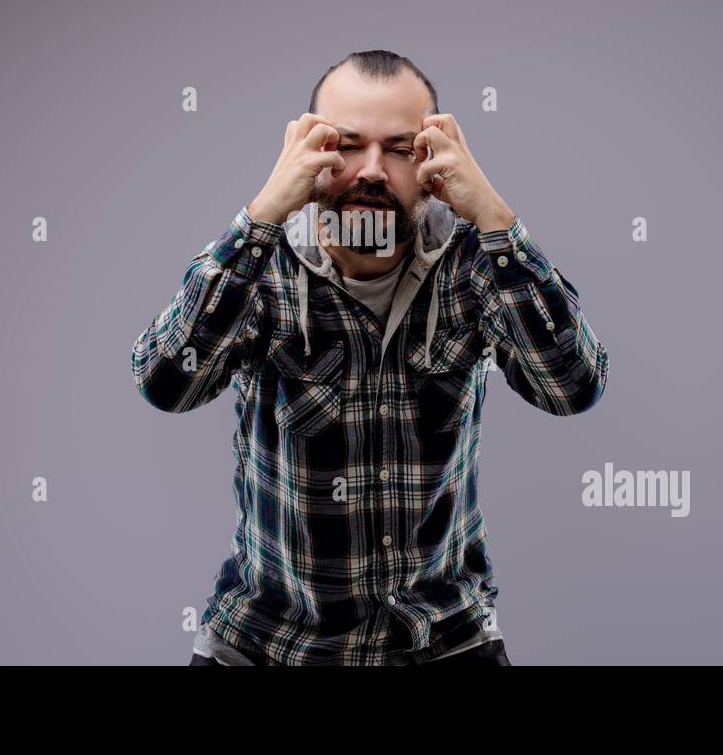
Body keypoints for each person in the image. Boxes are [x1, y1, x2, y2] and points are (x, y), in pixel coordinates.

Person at [133, 50, 609, 665]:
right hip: (269, 645)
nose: (372, 171)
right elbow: (166, 384)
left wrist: (494, 215)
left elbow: (572, 387)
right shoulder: (260, 262)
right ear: (309, 150)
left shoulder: (472, 260)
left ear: (434, 160)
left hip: (441, 642)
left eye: (401, 149)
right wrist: (259, 218)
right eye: (348, 145)